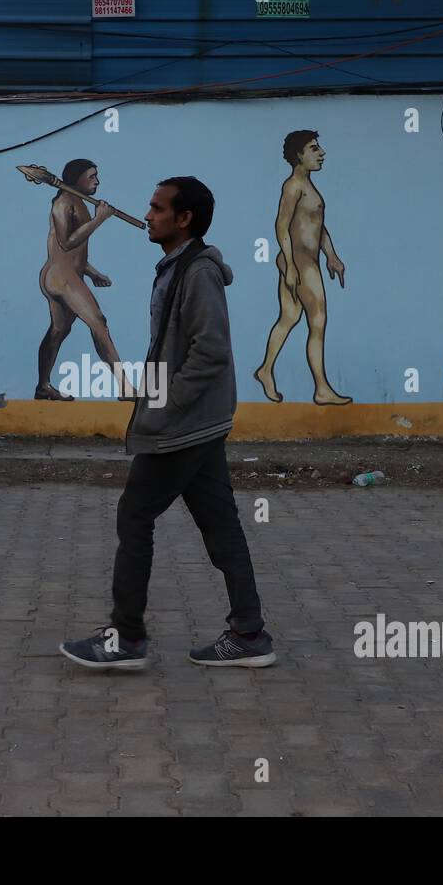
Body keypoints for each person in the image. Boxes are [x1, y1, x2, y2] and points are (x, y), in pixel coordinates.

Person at [60, 176, 275, 670]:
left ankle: (127, 637)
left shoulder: (197, 274)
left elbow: (211, 352)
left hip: (185, 426)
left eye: (159, 209)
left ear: (185, 220)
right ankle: (249, 633)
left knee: (134, 514)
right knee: (221, 526)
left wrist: (165, 407)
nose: (149, 214)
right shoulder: (175, 268)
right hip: (197, 422)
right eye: (150, 207)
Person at [255, 130, 352, 404]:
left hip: (304, 262)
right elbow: (281, 226)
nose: (321, 153)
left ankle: (265, 370)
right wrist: (291, 267)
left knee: (289, 319)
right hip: (300, 263)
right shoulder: (293, 185)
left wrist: (332, 256)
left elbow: (317, 227)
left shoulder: (308, 186)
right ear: (299, 155)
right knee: (317, 322)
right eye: (313, 148)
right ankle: (321, 389)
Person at [35, 159, 122, 401]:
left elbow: (69, 254)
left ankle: (43, 386)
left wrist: (93, 273)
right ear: (76, 179)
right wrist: (99, 220)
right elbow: (67, 242)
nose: (97, 181)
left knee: (59, 330)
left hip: (63, 274)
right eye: (92, 176)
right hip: (61, 277)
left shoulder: (77, 202)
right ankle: (125, 386)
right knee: (99, 323)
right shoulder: (63, 203)